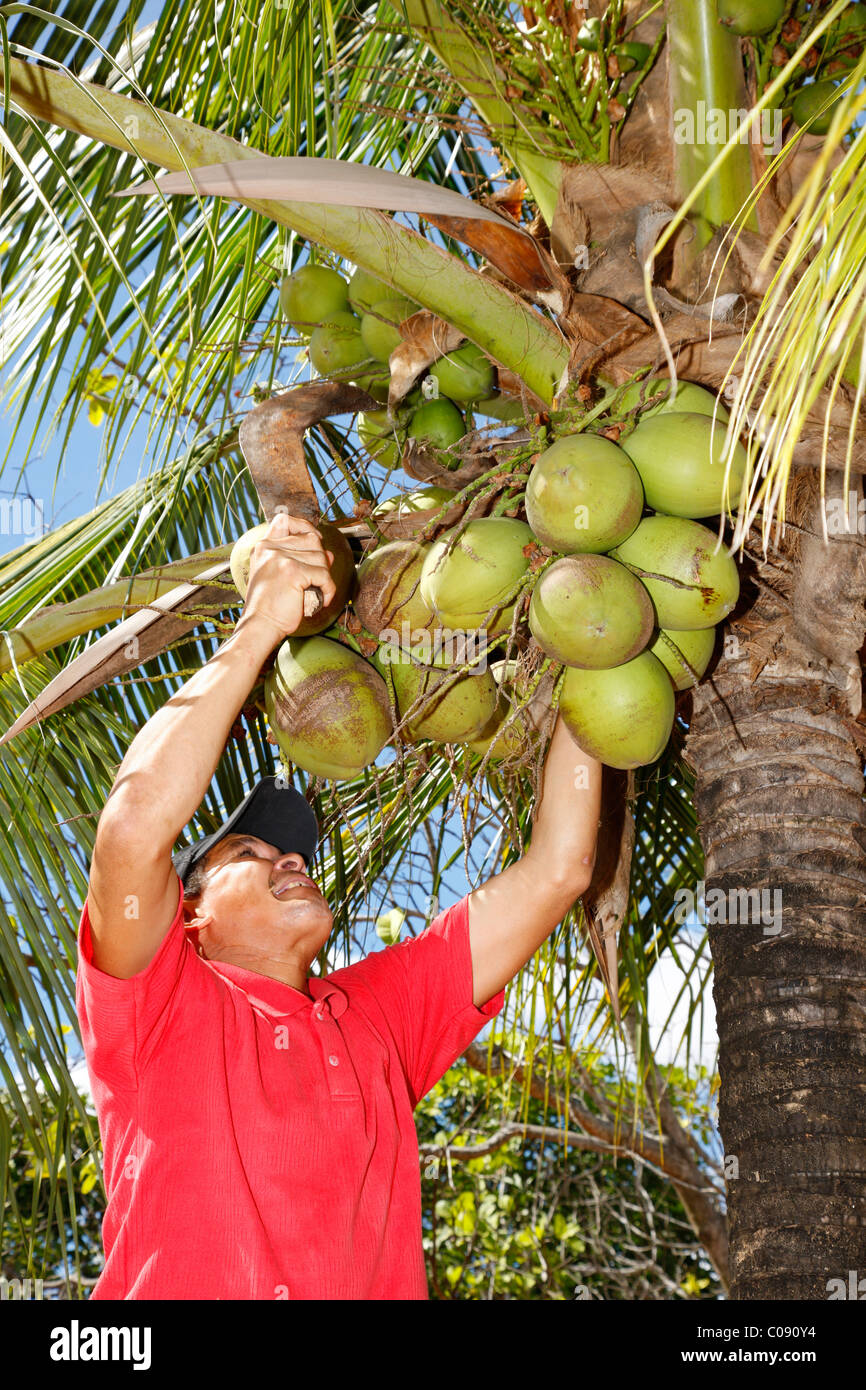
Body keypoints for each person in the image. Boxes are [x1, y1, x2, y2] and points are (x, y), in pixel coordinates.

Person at [77, 511, 602, 1300]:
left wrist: (594, 646)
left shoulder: (373, 1018)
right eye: (247, 855)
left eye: (284, 853)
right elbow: (134, 822)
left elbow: (560, 869)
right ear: (187, 917)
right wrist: (262, 618)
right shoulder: (157, 1002)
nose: (290, 858)